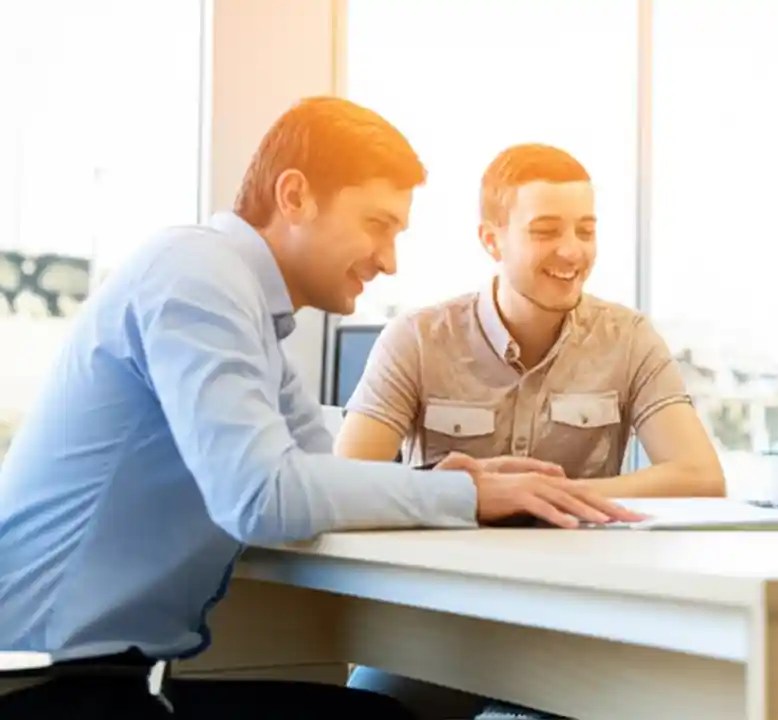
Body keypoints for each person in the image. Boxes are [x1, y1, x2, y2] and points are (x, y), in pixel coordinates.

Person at [0, 98, 637, 719]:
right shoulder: (196, 274)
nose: (389, 260)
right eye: (378, 224)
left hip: (99, 678)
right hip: (42, 687)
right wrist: (467, 497)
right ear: (295, 196)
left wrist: (447, 481)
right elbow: (263, 495)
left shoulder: (248, 310)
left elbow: (316, 470)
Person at [334, 142, 725, 718]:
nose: (572, 251)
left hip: (579, 625)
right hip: (439, 629)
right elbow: (347, 483)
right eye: (546, 231)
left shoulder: (629, 338)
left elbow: (700, 477)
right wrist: (463, 497)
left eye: (585, 230)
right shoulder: (417, 339)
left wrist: (549, 499)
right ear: (492, 239)